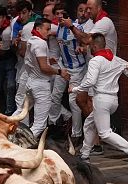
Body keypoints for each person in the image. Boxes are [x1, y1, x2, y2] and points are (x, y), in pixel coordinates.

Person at [70, 32, 128, 165]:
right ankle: (84, 154)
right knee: (89, 123)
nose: (89, 49)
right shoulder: (116, 59)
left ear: (95, 46)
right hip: (113, 101)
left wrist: (75, 89)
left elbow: (90, 81)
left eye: (90, 46)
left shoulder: (95, 61)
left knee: (104, 133)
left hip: (101, 99)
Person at [20, 18, 70, 138]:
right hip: (41, 86)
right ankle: (23, 145)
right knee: (40, 125)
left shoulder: (31, 40)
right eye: (47, 29)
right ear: (38, 28)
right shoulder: (41, 43)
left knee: (21, 112)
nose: (49, 33)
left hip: (31, 82)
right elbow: (43, 68)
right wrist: (59, 71)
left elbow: (31, 61)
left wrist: (48, 60)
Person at [51, 3, 89, 142]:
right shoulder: (58, 29)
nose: (60, 16)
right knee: (54, 97)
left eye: (63, 13)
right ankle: (60, 123)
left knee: (74, 101)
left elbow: (85, 40)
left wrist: (82, 47)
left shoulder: (76, 27)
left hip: (78, 69)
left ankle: (76, 135)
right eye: (57, 13)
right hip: (64, 67)